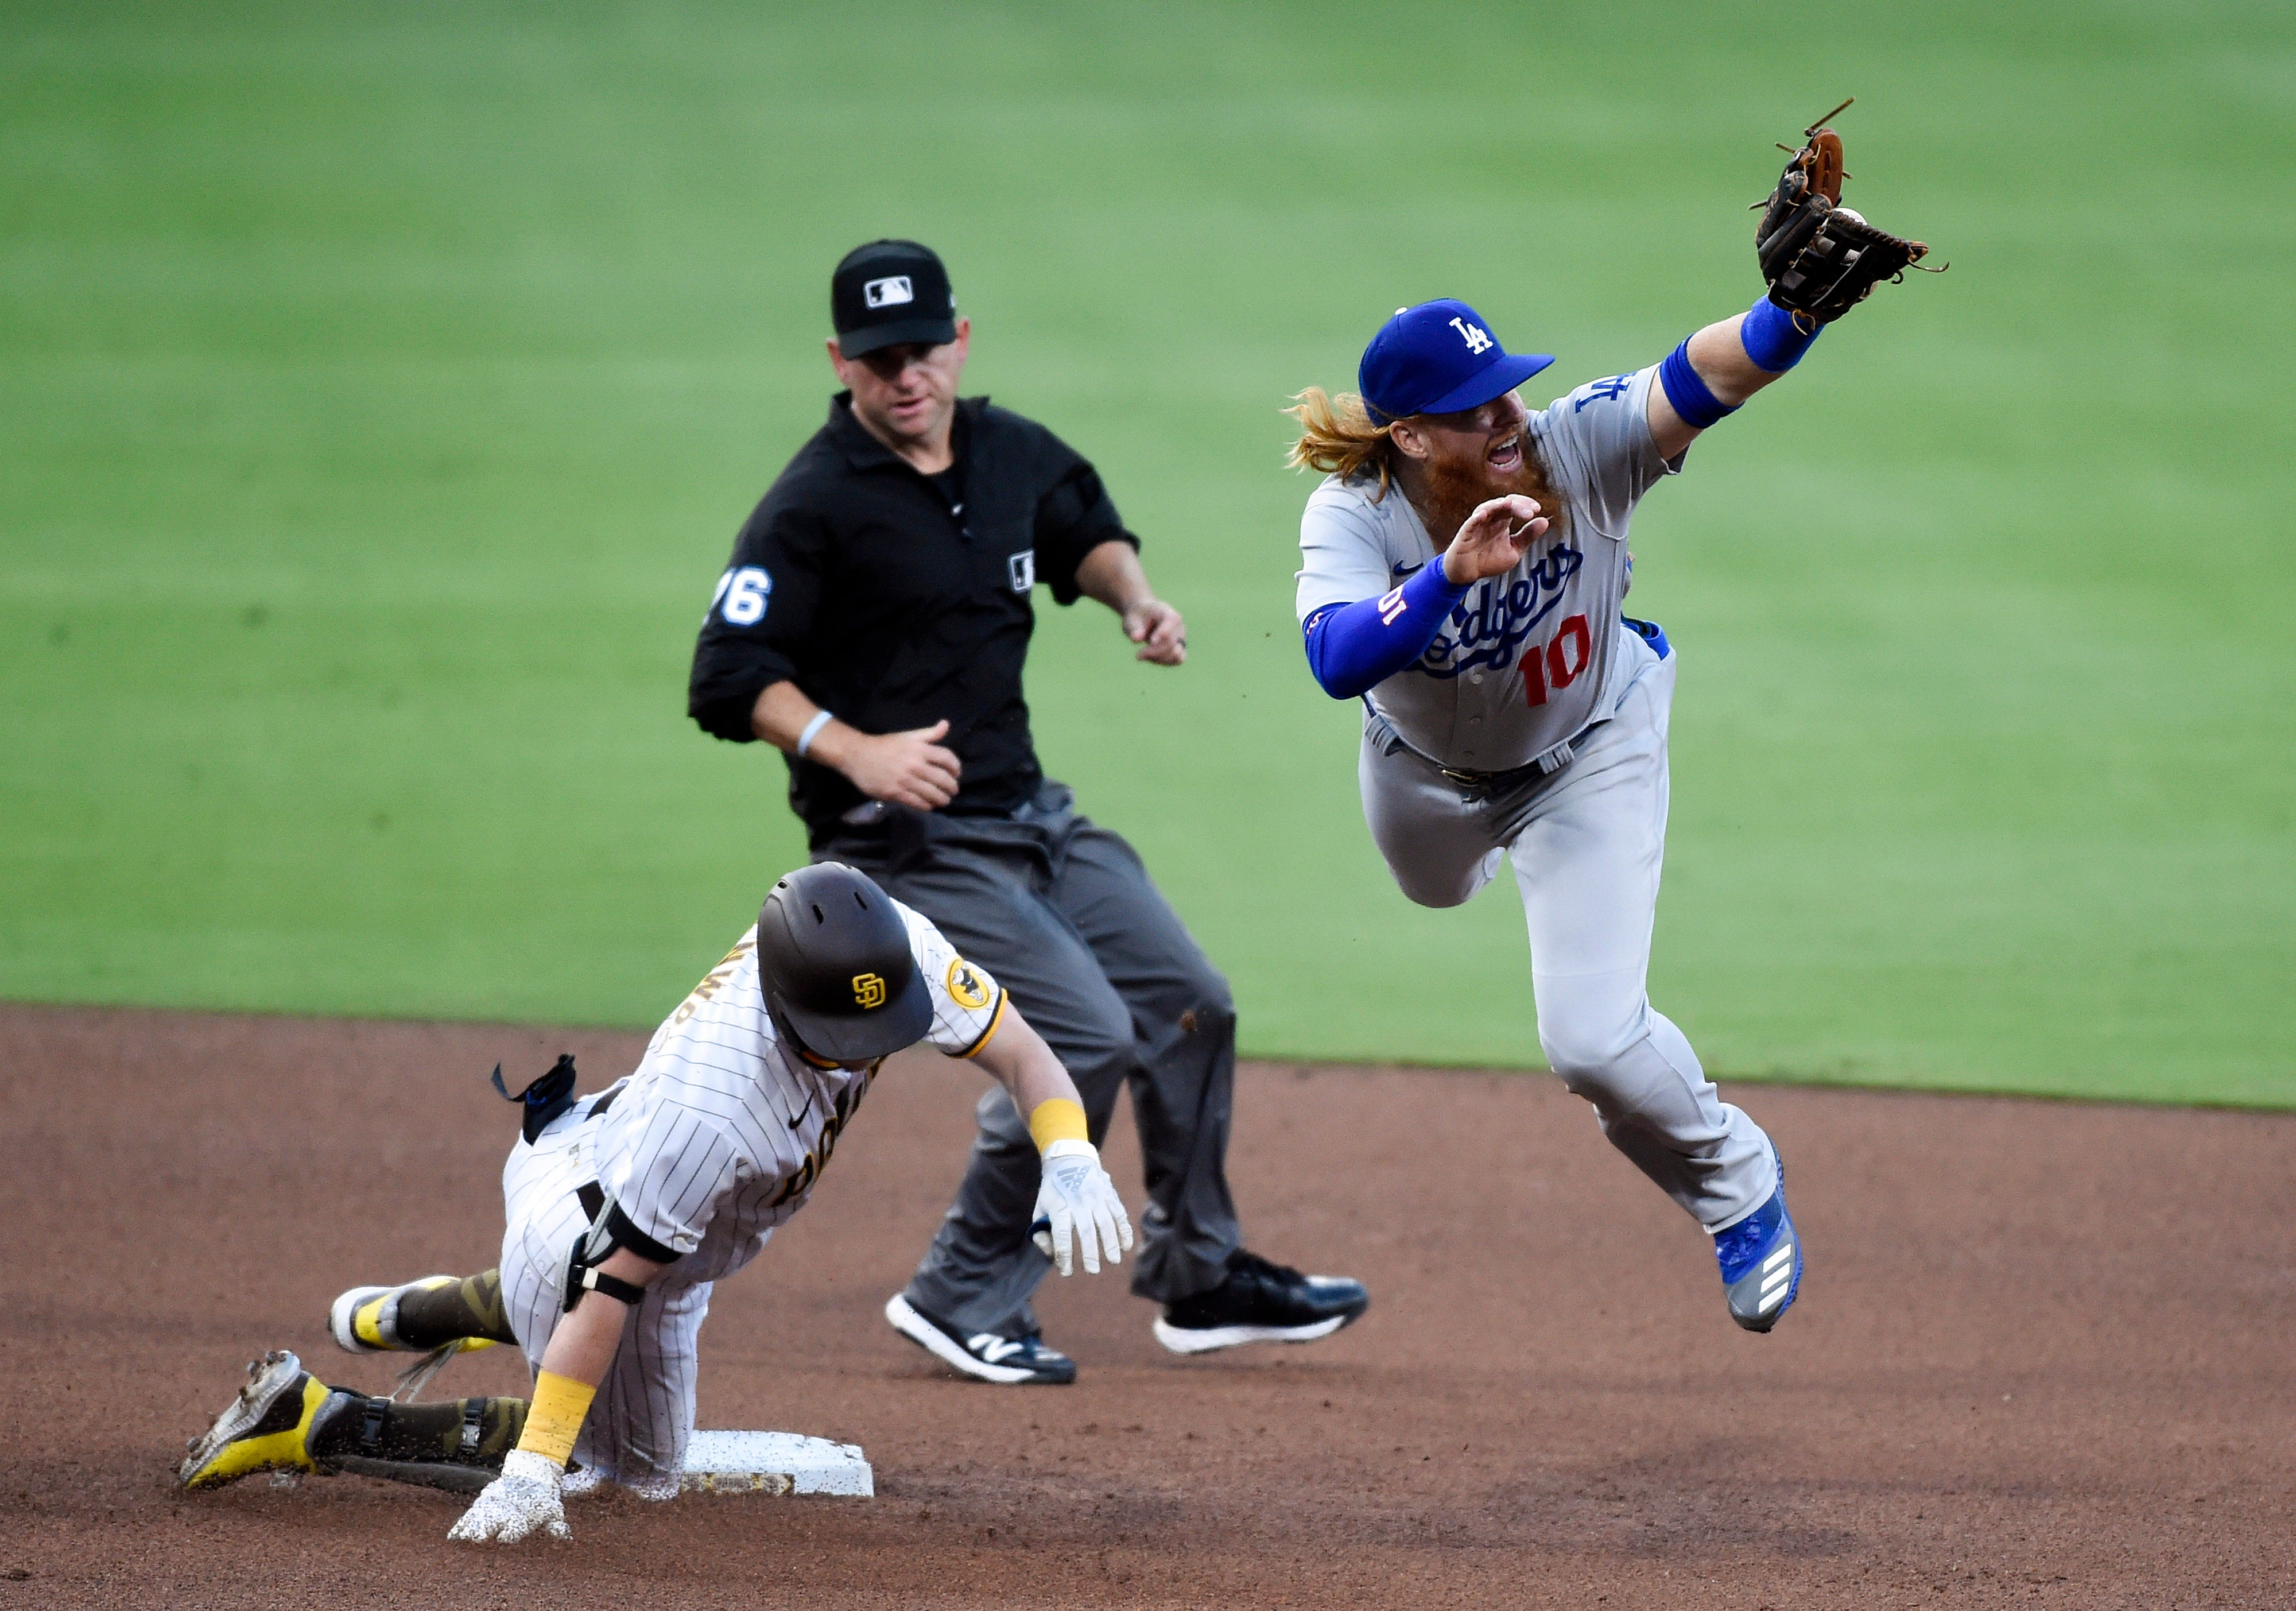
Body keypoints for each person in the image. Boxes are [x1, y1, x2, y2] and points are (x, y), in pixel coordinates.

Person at [687, 239, 1366, 1384]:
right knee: (1085, 1033)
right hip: (901, 846)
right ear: (840, 363)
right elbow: (724, 672)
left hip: (1029, 821)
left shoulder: (1005, 451)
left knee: (1189, 1003)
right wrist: (854, 749)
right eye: (878, 358)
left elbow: (1079, 525)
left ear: (959, 341)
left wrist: (1134, 600)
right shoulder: (811, 506)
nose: (905, 376)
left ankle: (1197, 1273)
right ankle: (959, 1291)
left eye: (922, 351)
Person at [1281, 153, 1926, 1329]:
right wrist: (1446, 574)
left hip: (1589, 751)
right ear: (1414, 437)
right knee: (1431, 892)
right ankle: (1474, 854)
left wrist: (1787, 317)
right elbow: (1332, 658)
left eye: (1508, 388)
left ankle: (1736, 1185)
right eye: (1478, 408)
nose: (1508, 414)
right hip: (1420, 782)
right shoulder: (1352, 515)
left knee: (1588, 1038)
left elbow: (1700, 374)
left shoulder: (1573, 444)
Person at [176, 863, 1132, 1542]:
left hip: (610, 1166)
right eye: (844, 1033)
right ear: (788, 1005)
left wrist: (1071, 1155)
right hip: (594, 1235)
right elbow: (614, 1284)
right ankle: (317, 1420)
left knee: (581, 1322)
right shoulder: (715, 1106)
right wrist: (536, 1465)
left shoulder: (882, 944)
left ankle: (418, 1312)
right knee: (626, 1474)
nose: (866, 1047)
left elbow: (1021, 1052)